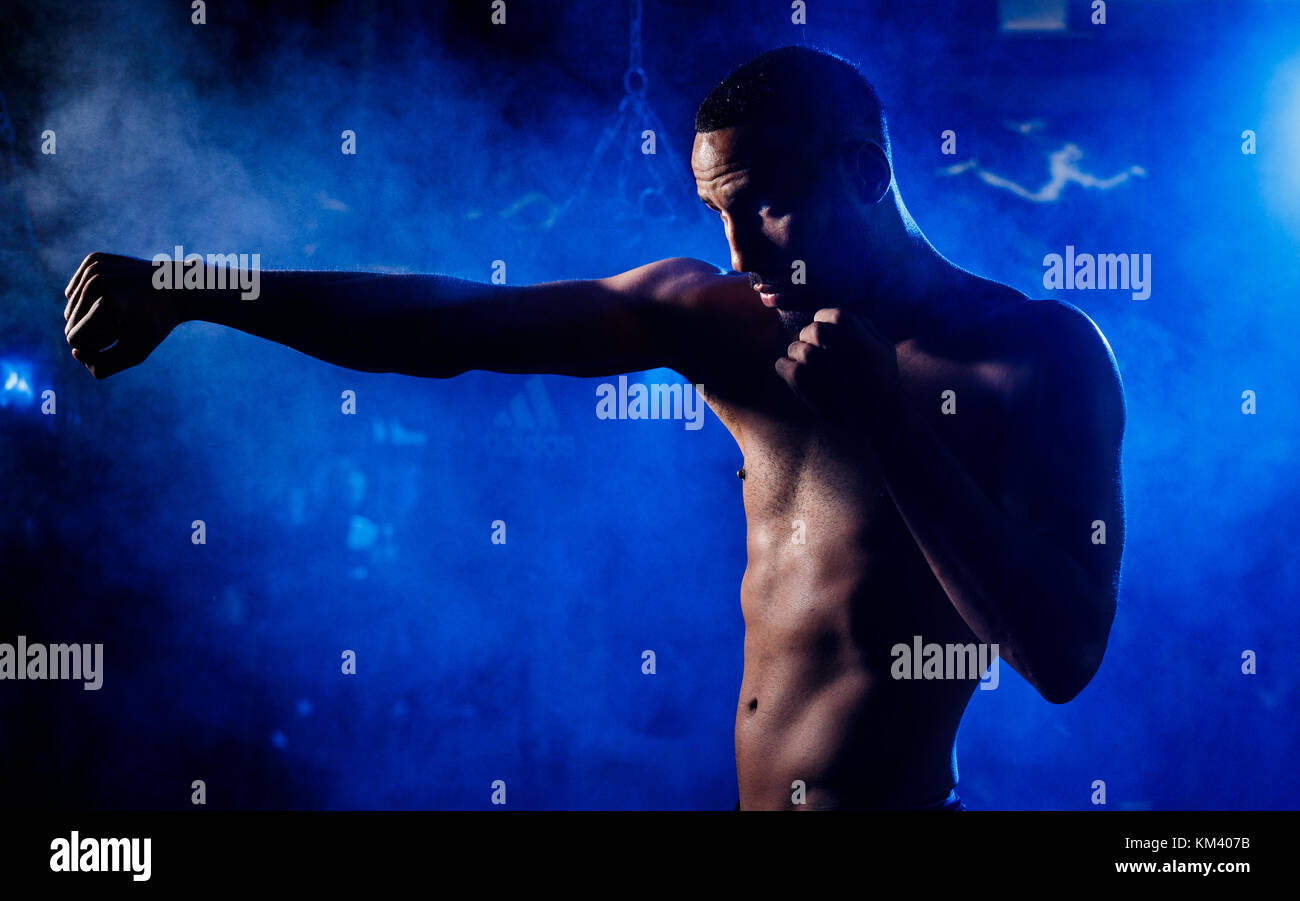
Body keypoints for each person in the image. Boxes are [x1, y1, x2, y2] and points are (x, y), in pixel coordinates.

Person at [60, 45, 1126, 810]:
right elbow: (449, 328)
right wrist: (197, 289)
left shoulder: (1035, 356)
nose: (742, 251)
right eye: (717, 212)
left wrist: (889, 429)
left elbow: (1061, 653)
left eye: (762, 204)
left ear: (862, 168)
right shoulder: (722, 320)